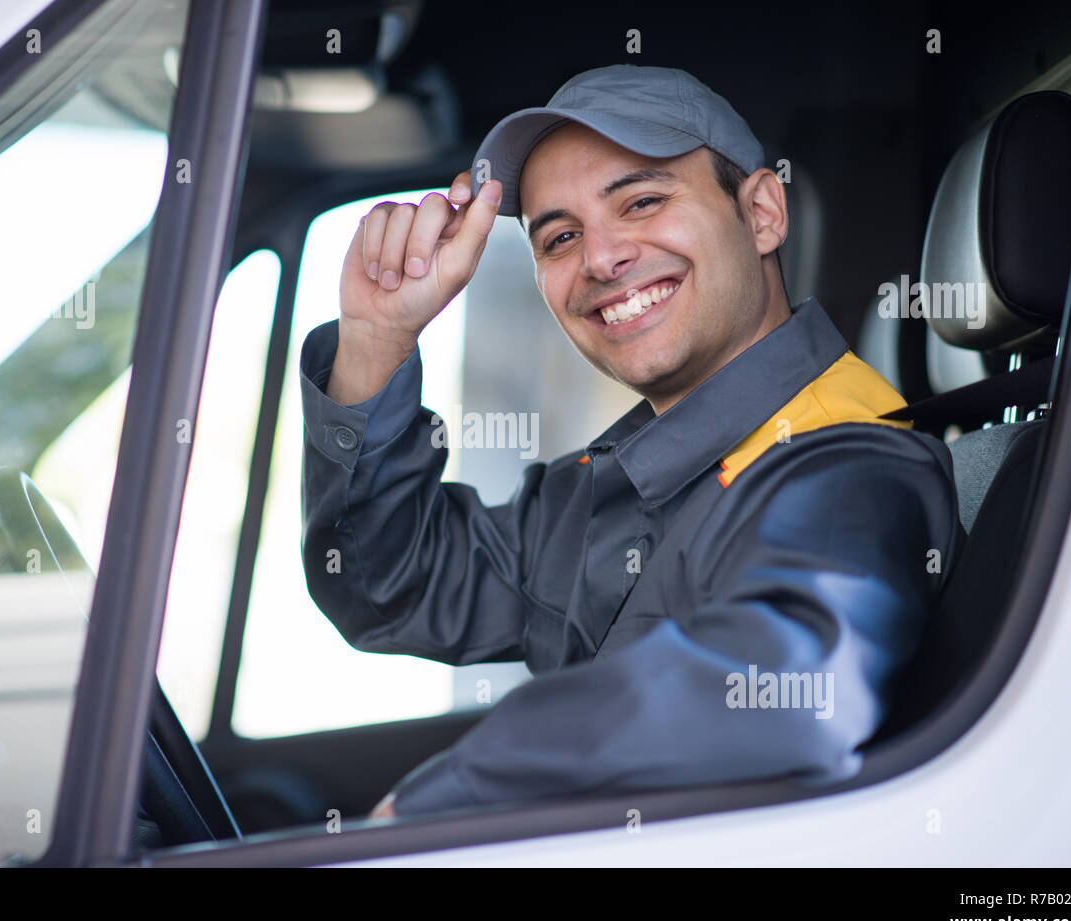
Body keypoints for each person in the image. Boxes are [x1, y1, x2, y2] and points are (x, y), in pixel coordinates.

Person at [297, 64, 965, 820]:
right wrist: (377, 339)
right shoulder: (607, 486)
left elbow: (784, 694)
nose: (601, 258)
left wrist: (437, 804)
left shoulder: (847, 465)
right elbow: (388, 588)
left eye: (643, 200)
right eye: (560, 236)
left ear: (763, 213)